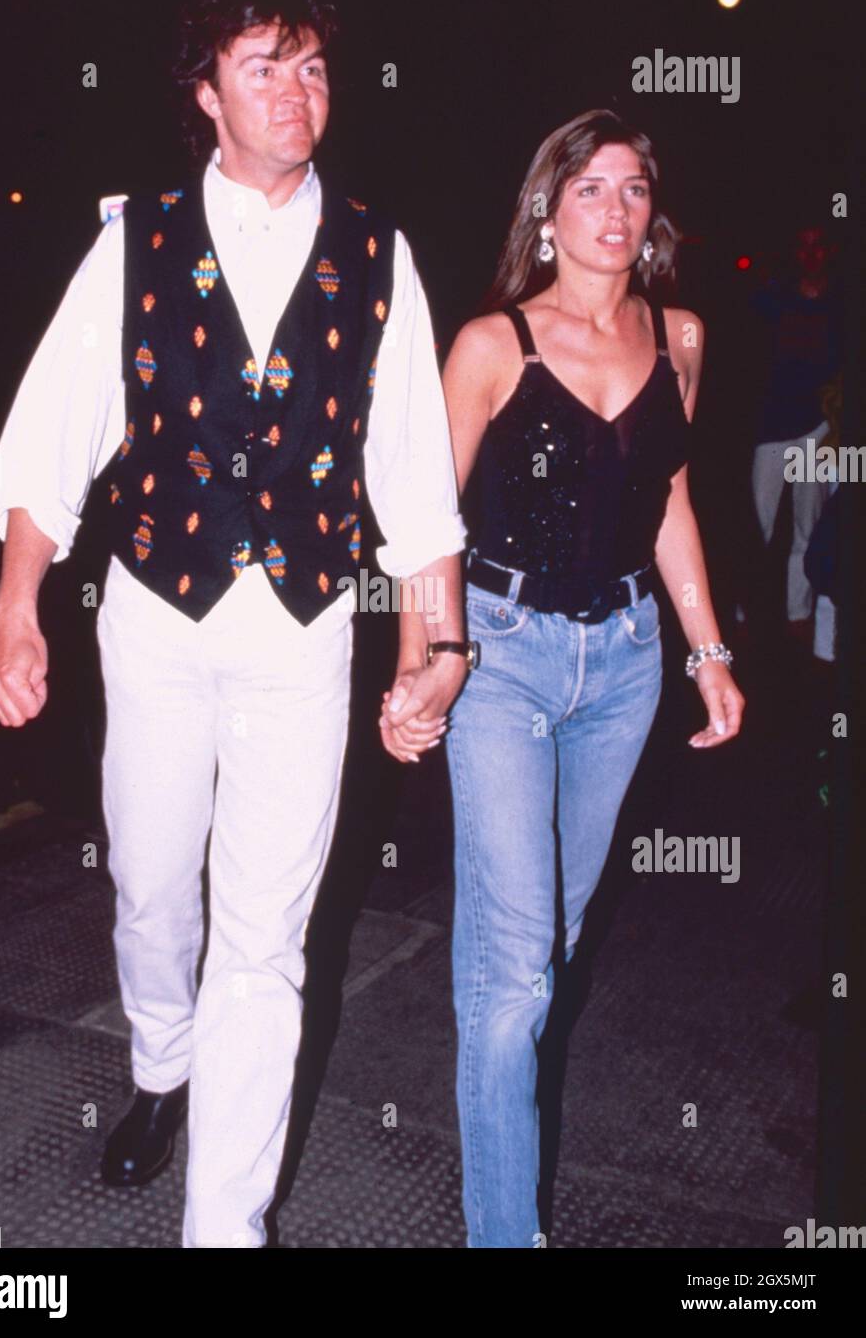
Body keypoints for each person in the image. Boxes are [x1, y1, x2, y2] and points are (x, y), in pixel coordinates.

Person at [0, 0, 469, 1248]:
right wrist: (13, 606)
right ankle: (159, 1070)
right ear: (206, 96)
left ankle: (224, 1226)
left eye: (311, 67)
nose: (296, 92)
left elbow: (415, 483)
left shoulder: (378, 252)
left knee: (265, 941)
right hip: (154, 613)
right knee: (150, 884)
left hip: (302, 630)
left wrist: (442, 646)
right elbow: (50, 441)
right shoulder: (132, 240)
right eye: (264, 66)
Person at [382, 109, 745, 1247]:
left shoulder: (677, 335)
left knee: (543, 945)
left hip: (626, 665)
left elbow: (671, 501)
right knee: (514, 976)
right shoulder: (493, 344)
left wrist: (709, 653)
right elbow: (420, 521)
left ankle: (498, 1117)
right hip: (500, 654)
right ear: (546, 207)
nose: (613, 210)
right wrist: (422, 669)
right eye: (588, 188)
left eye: (632, 189)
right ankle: (505, 1233)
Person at [747, 224, 843, 632]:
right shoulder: (772, 300)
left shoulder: (842, 304)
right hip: (771, 431)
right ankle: (740, 616)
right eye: (803, 247)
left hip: (817, 433)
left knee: (809, 529)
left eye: (818, 247)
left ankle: (799, 616)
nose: (811, 255)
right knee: (759, 528)